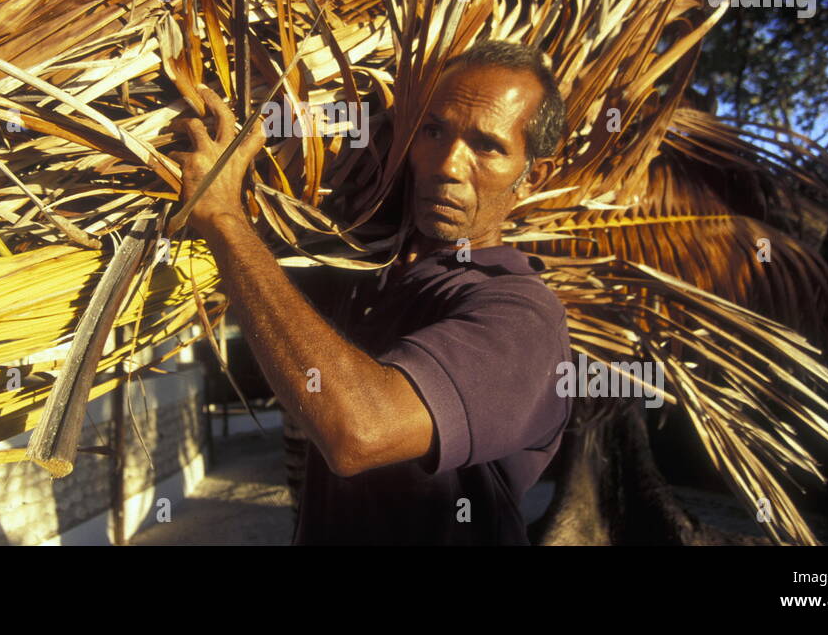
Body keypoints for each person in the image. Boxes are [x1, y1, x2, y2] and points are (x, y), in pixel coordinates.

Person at [168, 39, 573, 545]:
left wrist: (223, 216)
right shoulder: (366, 271)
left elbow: (358, 431)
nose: (448, 164)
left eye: (487, 146)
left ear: (533, 178)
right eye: (433, 131)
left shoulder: (523, 318)